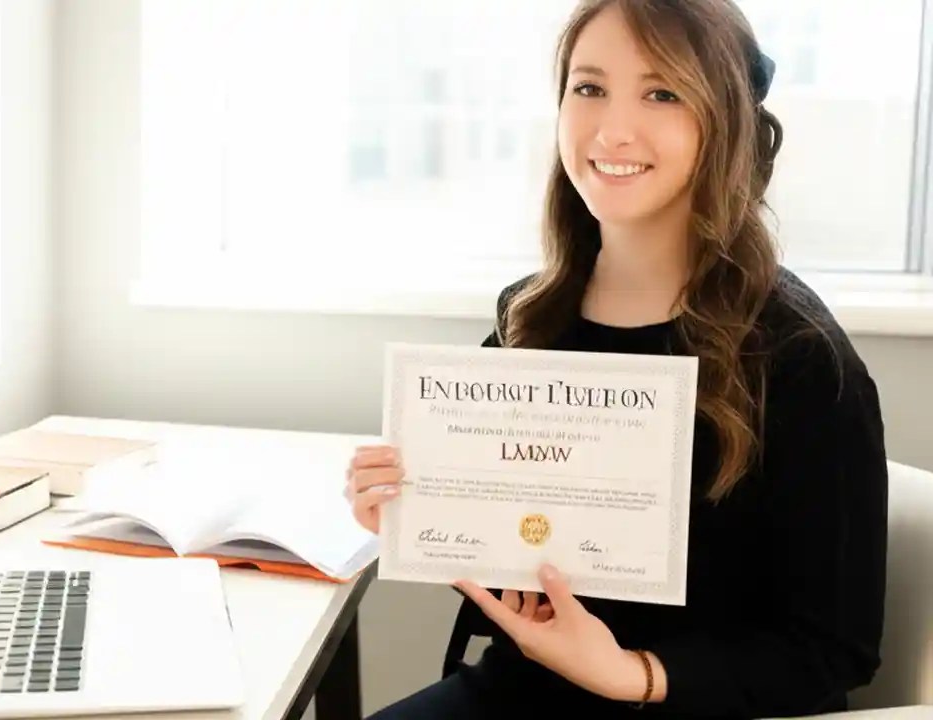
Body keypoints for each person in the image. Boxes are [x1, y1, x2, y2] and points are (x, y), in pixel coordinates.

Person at [344, 0, 889, 717]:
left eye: (662, 93)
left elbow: (833, 648)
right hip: (535, 691)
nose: (612, 129)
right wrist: (419, 512)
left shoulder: (802, 357)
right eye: (590, 88)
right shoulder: (530, 317)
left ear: (724, 119)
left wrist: (634, 674)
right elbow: (524, 558)